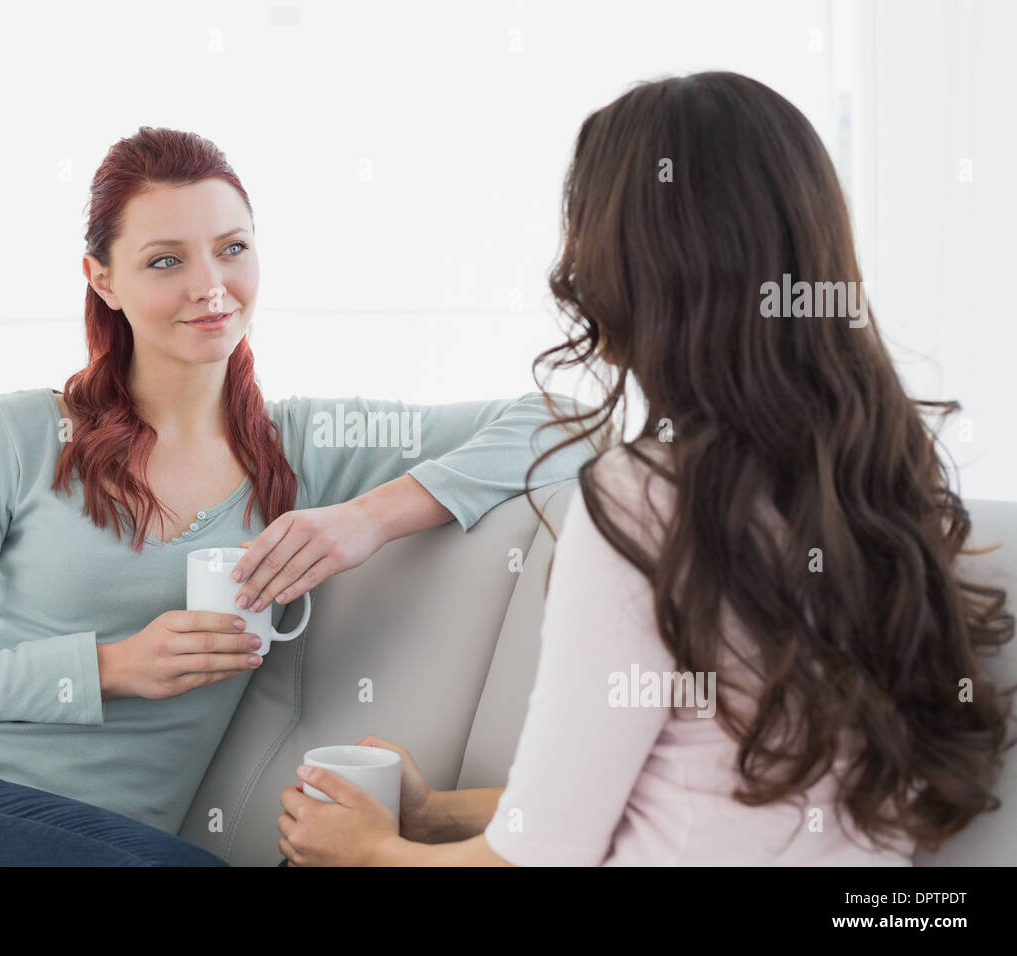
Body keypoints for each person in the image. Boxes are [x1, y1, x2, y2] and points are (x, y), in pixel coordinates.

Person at [275, 72, 1016, 866]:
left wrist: (370, 852)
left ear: (631, 270)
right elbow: (694, 793)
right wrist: (433, 815)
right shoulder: (881, 483)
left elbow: (540, 860)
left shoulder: (642, 502)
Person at [0, 128, 596, 866]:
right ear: (102, 279)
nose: (210, 288)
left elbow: (570, 421)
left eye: (232, 249)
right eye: (165, 261)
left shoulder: (303, 448)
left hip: (116, 845)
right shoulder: (21, 433)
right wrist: (110, 666)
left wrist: (366, 519)